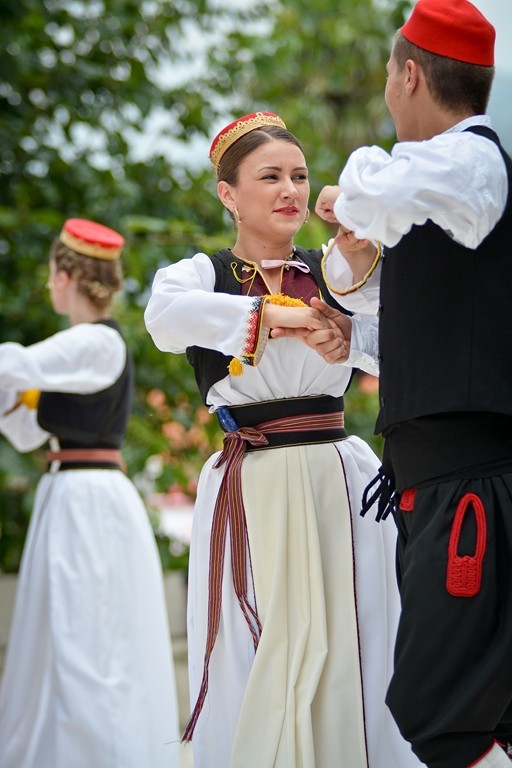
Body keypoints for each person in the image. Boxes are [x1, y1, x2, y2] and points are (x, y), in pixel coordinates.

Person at [144, 112, 423, 768]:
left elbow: (404, 340)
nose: (289, 189)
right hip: (254, 477)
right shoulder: (202, 273)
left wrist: (348, 307)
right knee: (257, 638)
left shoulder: (335, 268)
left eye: (298, 175)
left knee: (355, 636)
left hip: (337, 474)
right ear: (228, 193)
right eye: (269, 176)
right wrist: (265, 313)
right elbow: (163, 317)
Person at [310, 1, 512, 766]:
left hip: (473, 481)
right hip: (443, 481)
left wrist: (347, 193)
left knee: (443, 708)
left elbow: (368, 190)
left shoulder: (469, 161)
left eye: (390, 78)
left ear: (410, 73)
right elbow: (424, 325)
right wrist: (353, 333)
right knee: (471, 703)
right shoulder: (442, 191)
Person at [0, 218, 180, 768]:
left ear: (62, 274)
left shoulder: (95, 343)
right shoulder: (78, 352)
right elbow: (28, 428)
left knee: (89, 642)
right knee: (62, 637)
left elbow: (18, 365)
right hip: (69, 495)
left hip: (89, 502)